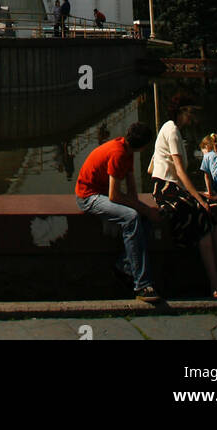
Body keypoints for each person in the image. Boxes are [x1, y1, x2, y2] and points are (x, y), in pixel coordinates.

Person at [150, 97, 217, 299]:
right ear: (180, 112)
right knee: (201, 215)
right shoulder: (171, 131)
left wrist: (197, 195)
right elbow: (179, 171)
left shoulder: (172, 130)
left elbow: (157, 167)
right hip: (166, 189)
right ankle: (215, 284)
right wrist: (198, 198)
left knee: (214, 214)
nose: (192, 117)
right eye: (189, 112)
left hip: (172, 188)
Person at [75, 122, 161, 302]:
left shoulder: (126, 150)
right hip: (89, 197)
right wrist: (144, 209)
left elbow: (131, 191)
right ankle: (142, 285)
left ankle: (124, 267)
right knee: (131, 217)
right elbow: (114, 195)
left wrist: (145, 210)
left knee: (141, 218)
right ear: (144, 146)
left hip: (102, 194)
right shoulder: (119, 153)